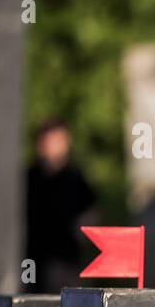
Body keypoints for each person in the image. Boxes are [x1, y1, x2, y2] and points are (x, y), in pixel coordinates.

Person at [24, 117, 98, 293]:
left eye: (57, 141)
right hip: (33, 260)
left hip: (67, 260)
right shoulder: (29, 177)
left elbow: (92, 210)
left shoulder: (75, 176)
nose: (52, 146)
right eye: (48, 141)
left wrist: (83, 232)